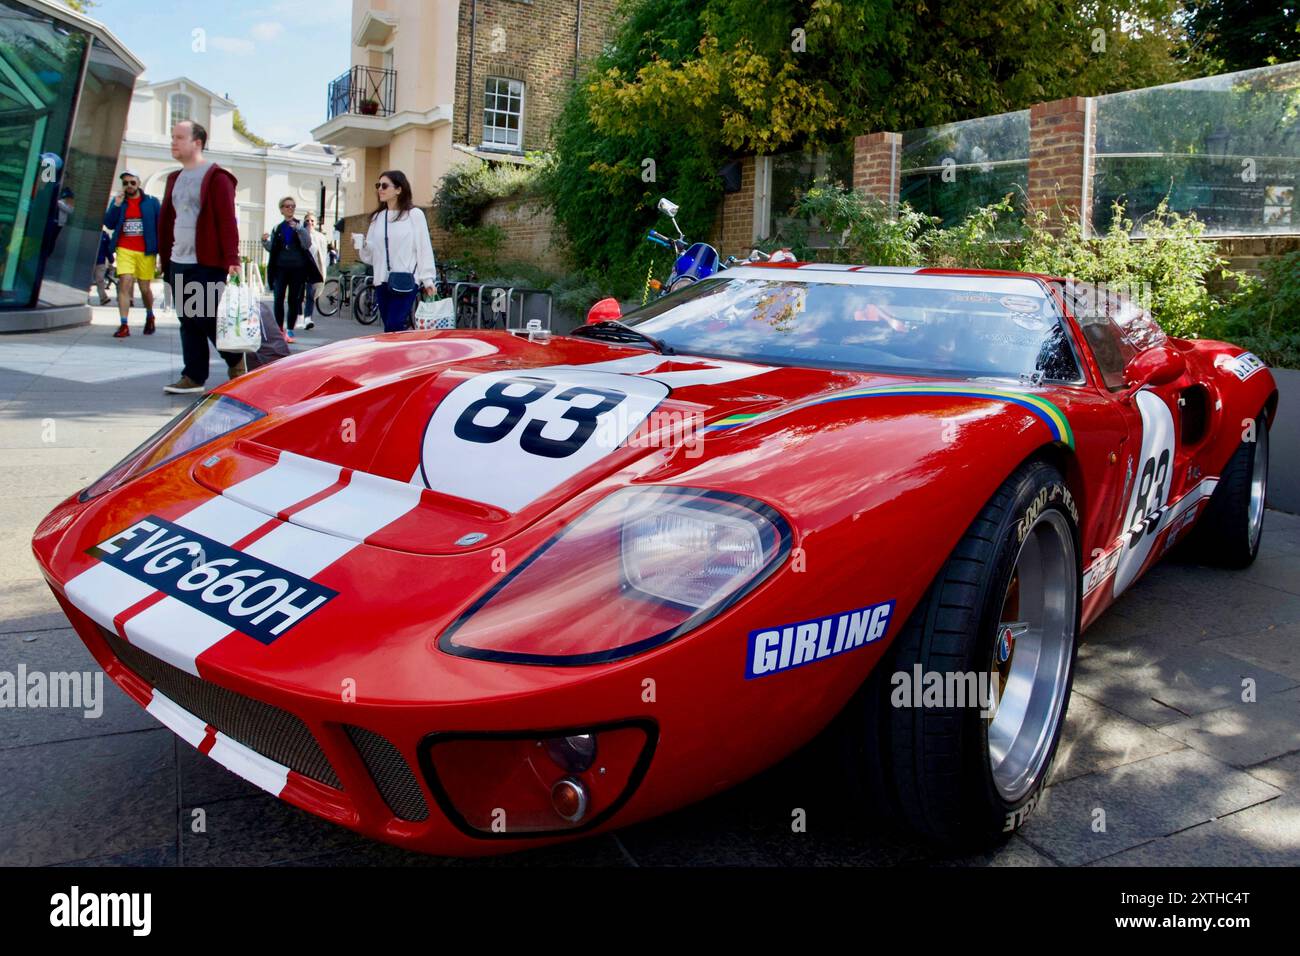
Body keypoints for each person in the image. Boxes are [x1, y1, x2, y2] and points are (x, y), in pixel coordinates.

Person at [158, 120, 243, 394]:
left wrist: (232, 258)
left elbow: (227, 221)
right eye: (172, 137)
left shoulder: (217, 177)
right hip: (178, 260)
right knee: (187, 318)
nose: (173, 142)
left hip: (206, 262)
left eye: (179, 137)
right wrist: (164, 258)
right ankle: (193, 376)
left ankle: (235, 360)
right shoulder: (174, 178)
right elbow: (167, 220)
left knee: (205, 316)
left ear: (197, 142)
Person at [357, 170, 435, 333]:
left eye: (385, 185)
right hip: (382, 280)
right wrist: (362, 245)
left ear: (399, 189)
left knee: (393, 325)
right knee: (391, 328)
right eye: (378, 185)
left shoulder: (414, 215)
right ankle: (402, 354)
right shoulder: (377, 217)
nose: (380, 189)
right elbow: (372, 256)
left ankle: (395, 356)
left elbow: (424, 247)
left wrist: (427, 279)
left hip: (406, 279)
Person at [103, 170, 161, 337]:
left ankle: (150, 315)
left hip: (146, 251)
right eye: (125, 183)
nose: (129, 186)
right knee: (125, 283)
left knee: (144, 288)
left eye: (132, 182)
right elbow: (109, 223)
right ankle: (124, 324)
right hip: (124, 249)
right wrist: (116, 205)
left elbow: (160, 226)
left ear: (138, 183)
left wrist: (162, 253)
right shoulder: (119, 202)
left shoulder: (151, 202)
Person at [261, 197, 321, 343]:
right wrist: (264, 241)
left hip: (298, 269)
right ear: (281, 209)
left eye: (292, 206)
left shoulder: (301, 226)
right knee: (278, 298)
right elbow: (273, 249)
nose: (290, 209)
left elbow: (307, 244)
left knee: (294, 300)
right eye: (287, 206)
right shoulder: (278, 228)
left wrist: (299, 229)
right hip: (281, 268)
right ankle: (280, 329)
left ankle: (290, 330)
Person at [300, 212, 329, 331]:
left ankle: (308, 319)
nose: (310, 223)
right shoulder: (300, 235)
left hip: (313, 269)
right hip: (301, 269)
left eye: (312, 221)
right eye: (307, 220)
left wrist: (323, 270)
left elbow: (323, 254)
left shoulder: (321, 237)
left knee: (311, 295)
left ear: (315, 223)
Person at [91, 226, 113, 306]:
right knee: (87, 281)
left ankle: (103, 298)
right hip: (90, 261)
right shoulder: (90, 233)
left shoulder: (104, 235)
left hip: (101, 261)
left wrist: (111, 259)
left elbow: (108, 249)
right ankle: (85, 298)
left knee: (100, 280)